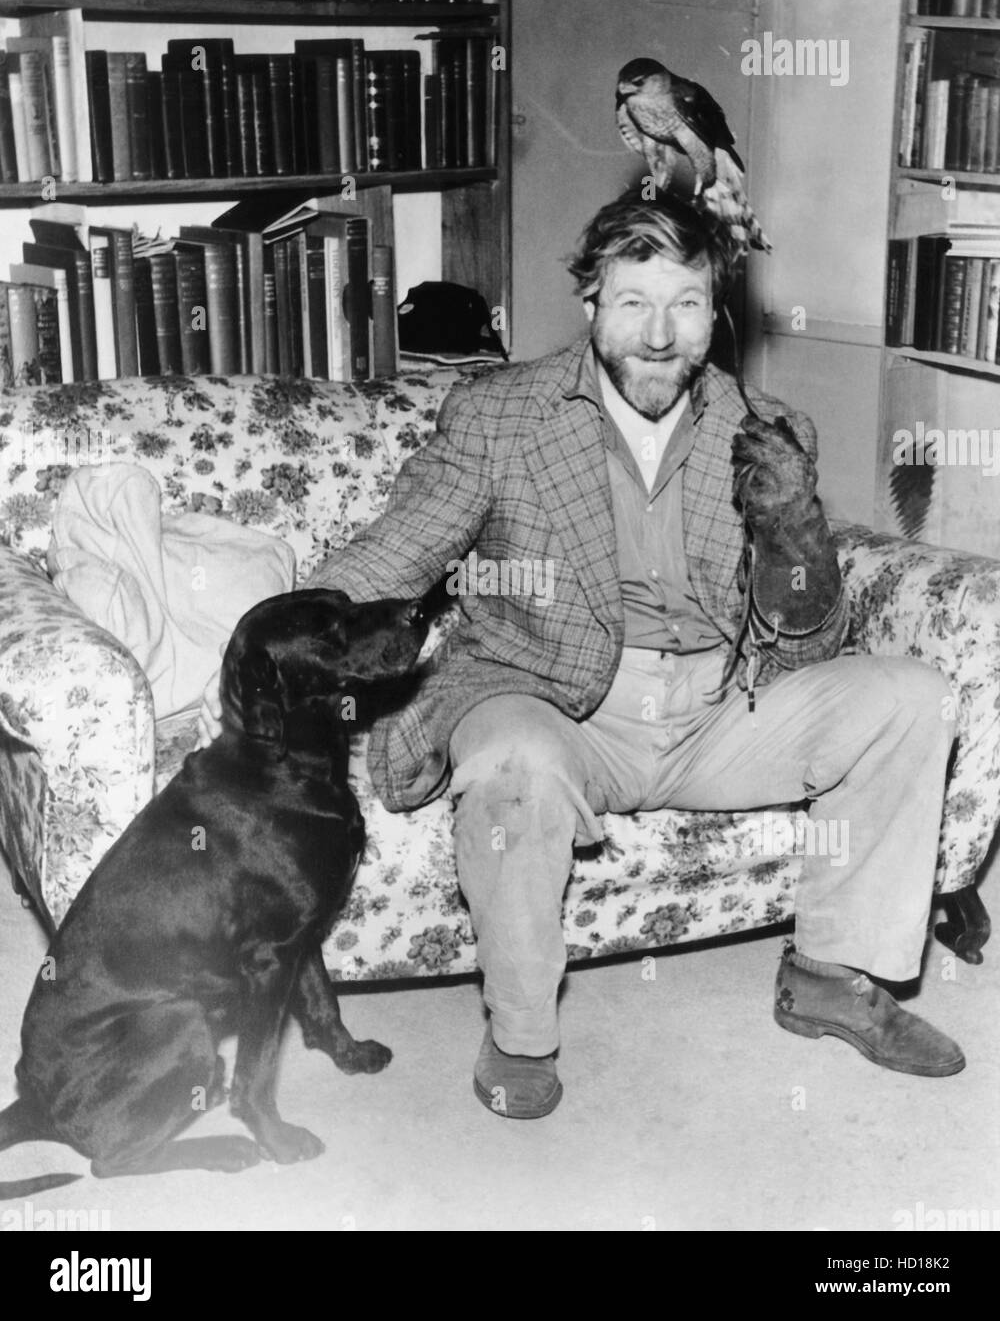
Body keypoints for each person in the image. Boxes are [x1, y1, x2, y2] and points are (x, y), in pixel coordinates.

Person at [199, 188, 964, 1118]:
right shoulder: (500, 416)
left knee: (913, 697)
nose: (656, 334)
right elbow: (393, 554)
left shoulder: (768, 427)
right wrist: (257, 651)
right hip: (553, 702)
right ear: (591, 305)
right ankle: (522, 1034)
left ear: (714, 315)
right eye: (632, 302)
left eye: (684, 304)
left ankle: (832, 978)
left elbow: (809, 647)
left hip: (719, 710)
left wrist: (798, 537)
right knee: (517, 762)